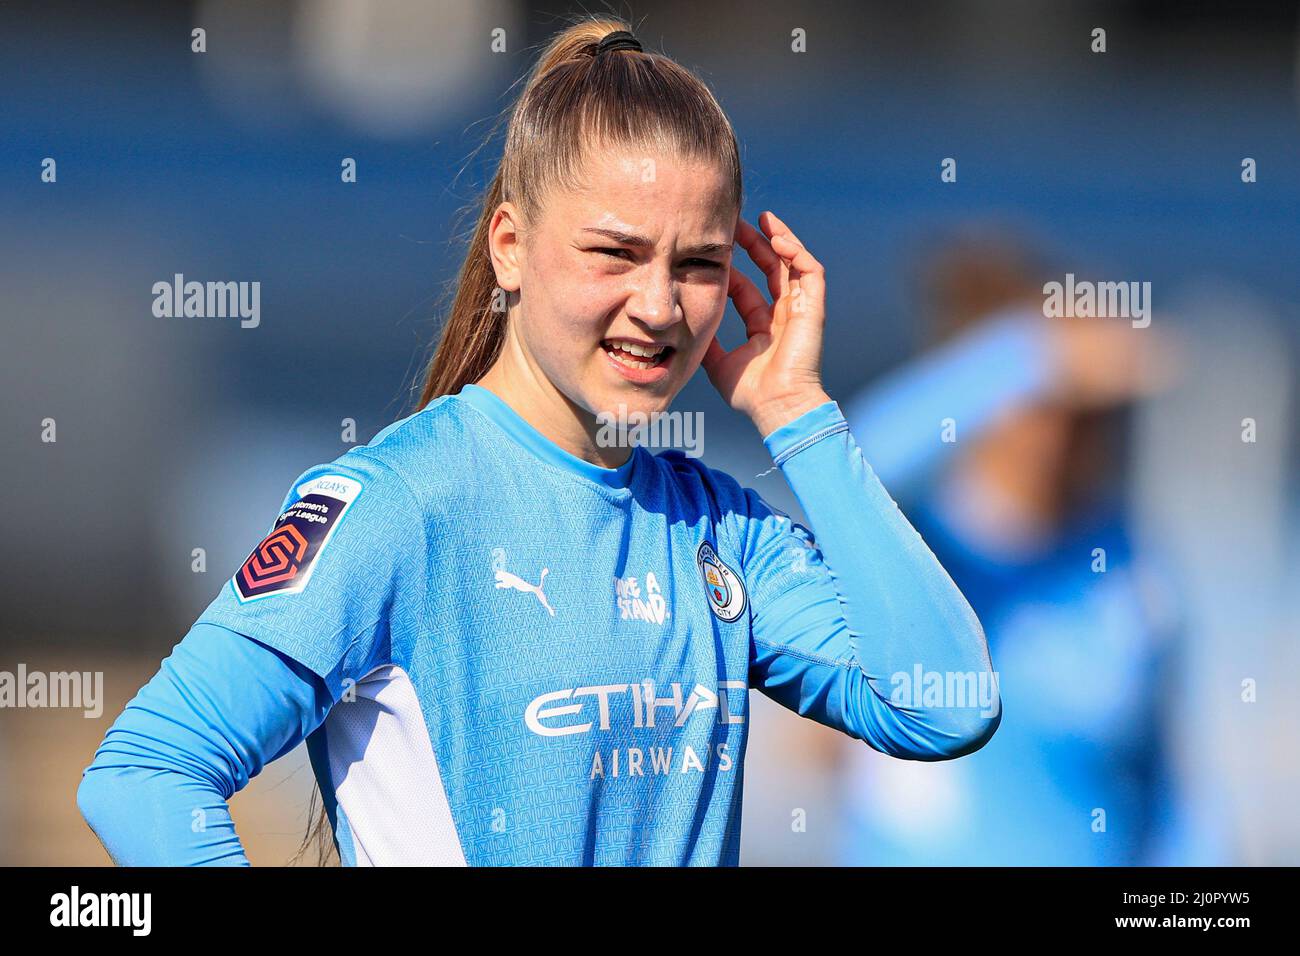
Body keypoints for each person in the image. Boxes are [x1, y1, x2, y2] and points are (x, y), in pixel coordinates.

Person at [76, 19, 999, 867]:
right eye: (616, 253)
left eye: (699, 263)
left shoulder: (723, 533)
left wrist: (798, 414)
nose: (660, 306)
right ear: (510, 246)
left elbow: (944, 707)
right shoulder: (398, 507)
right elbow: (146, 772)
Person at [837, 233, 1189, 865]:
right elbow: (851, 459)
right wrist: (1035, 353)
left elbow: (1166, 791)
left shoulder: (1126, 564)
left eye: (1088, 412)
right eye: (1044, 406)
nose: (1063, 434)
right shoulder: (914, 547)